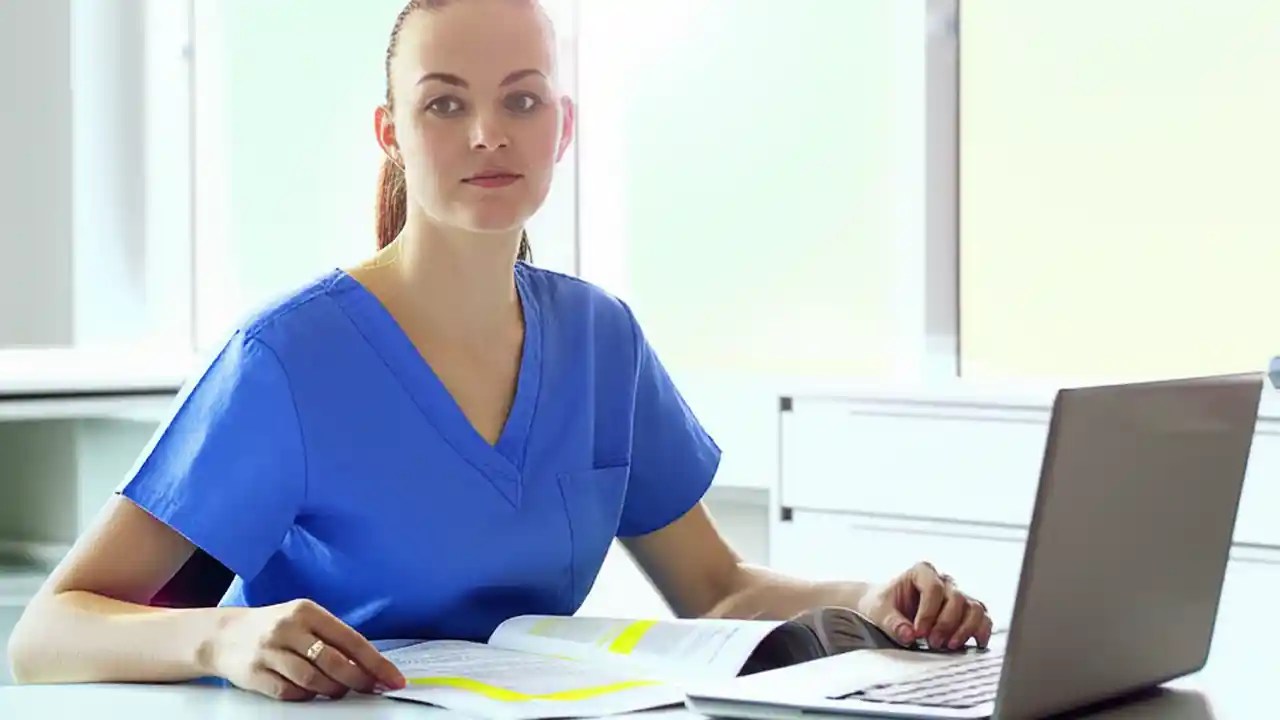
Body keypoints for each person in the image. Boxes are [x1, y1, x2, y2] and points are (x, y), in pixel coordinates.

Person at [7, 0, 992, 702]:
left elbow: (717, 586)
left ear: (561, 128)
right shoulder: (287, 362)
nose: (488, 133)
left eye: (522, 101)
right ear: (390, 132)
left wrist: (867, 596)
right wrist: (225, 635)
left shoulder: (600, 339)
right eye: (444, 104)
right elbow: (46, 634)